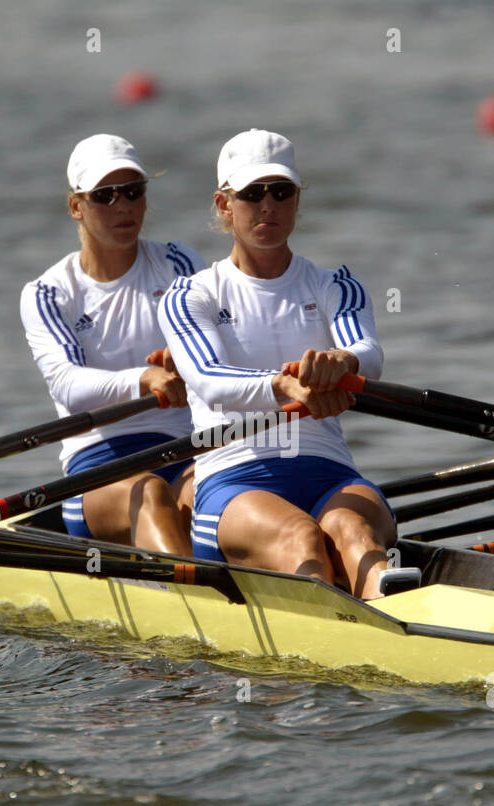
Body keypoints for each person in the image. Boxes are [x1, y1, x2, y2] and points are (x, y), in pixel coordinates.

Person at [157, 129, 405, 598]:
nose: (267, 205)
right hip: (233, 479)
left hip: (329, 473)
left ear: (296, 200)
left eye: (281, 191)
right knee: (302, 537)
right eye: (251, 194)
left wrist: (342, 359)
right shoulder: (190, 295)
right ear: (224, 205)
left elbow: (369, 355)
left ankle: (395, 617)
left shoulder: (335, 284)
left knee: (351, 530)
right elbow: (209, 381)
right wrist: (286, 386)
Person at [20, 134, 204, 555]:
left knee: (215, 492)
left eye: (133, 191)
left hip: (186, 447)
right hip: (97, 467)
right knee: (152, 494)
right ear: (75, 207)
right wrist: (145, 377)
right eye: (105, 195)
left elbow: (220, 346)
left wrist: (191, 354)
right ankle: (192, 599)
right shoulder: (49, 293)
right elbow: (68, 385)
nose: (123, 206)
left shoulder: (180, 264)